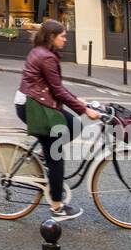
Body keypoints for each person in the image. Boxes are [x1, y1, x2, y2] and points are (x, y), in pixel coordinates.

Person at [17, 19, 101, 222]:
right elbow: (56, 89)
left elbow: (55, 86)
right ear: (52, 37)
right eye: (63, 36)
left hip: (34, 102)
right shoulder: (46, 57)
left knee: (73, 126)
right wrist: (84, 109)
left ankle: (42, 154)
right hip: (34, 106)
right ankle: (57, 207)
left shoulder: (41, 51)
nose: (65, 39)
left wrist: (77, 101)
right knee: (56, 155)